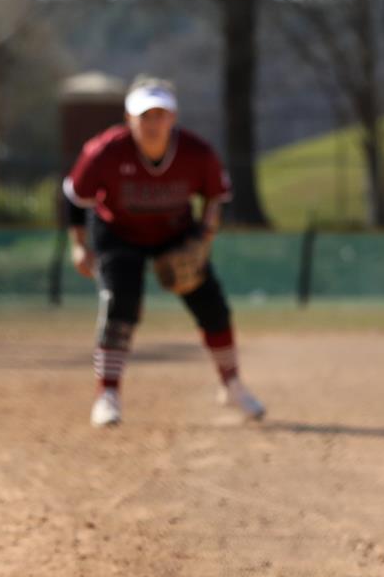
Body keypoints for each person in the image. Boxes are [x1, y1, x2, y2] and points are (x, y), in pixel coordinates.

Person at [64, 77, 265, 427]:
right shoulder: (104, 151)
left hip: (175, 232)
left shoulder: (196, 153)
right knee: (119, 305)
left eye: (161, 115)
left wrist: (204, 238)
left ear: (173, 118)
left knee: (212, 306)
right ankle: (107, 395)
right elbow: (75, 198)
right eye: (145, 116)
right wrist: (79, 247)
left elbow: (216, 195)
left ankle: (232, 385)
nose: (153, 123)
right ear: (129, 119)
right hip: (118, 232)